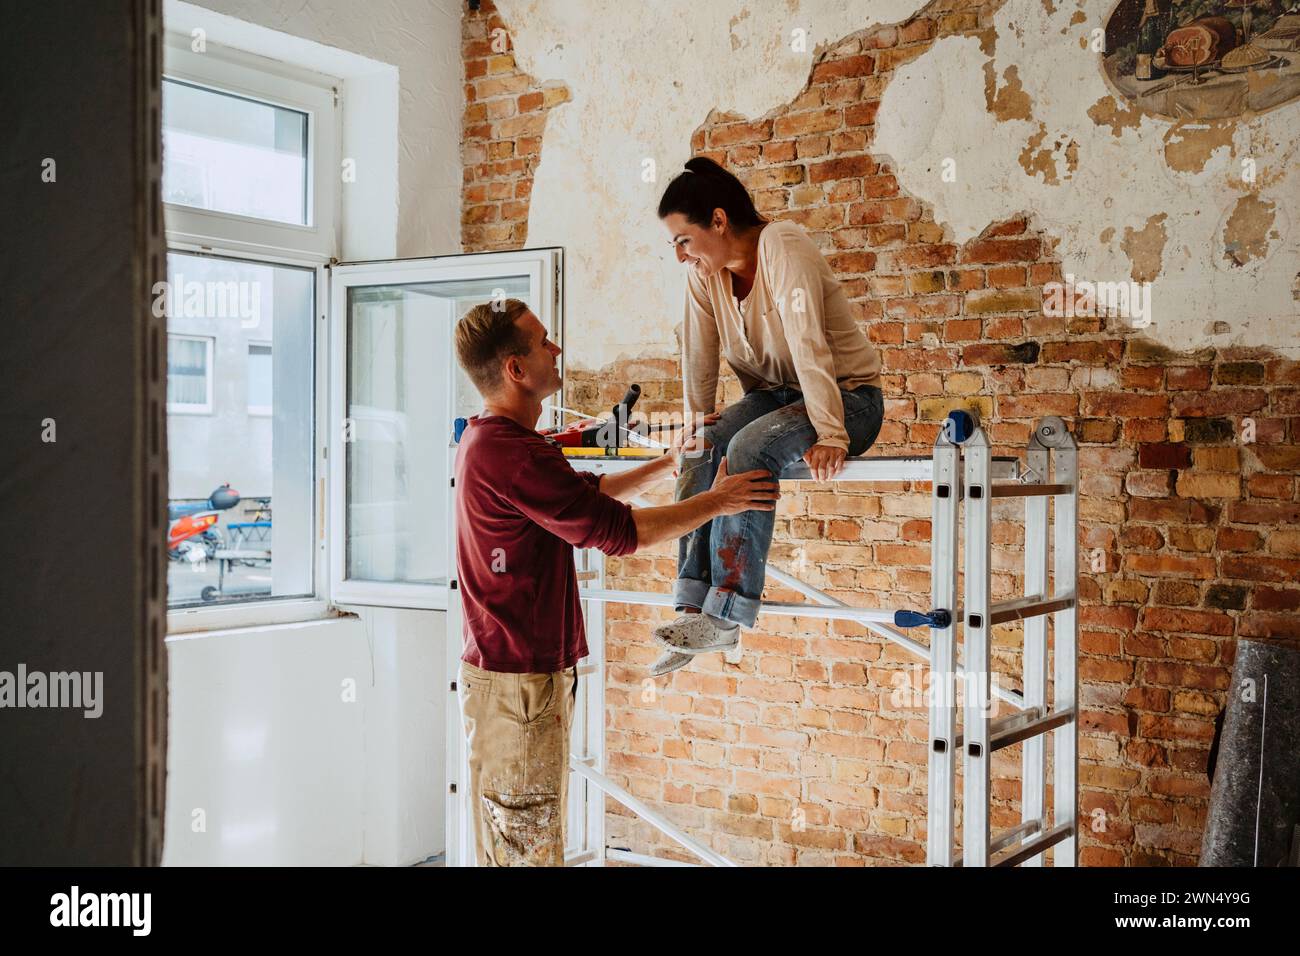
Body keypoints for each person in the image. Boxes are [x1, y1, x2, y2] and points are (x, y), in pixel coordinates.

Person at [453, 297, 778, 866]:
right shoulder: (509, 452)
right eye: (543, 342)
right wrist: (717, 500)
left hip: (521, 680)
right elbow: (623, 534)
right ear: (515, 370)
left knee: (527, 836)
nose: (556, 350)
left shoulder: (502, 442)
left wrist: (668, 463)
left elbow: (587, 499)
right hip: (517, 685)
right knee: (525, 848)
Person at [650, 156, 886, 676]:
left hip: (849, 399)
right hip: (778, 399)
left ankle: (728, 614)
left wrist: (831, 432)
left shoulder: (783, 244)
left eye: (683, 240)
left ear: (717, 220)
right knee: (704, 445)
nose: (680, 256)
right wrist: (698, 420)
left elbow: (808, 342)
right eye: (674, 245)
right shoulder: (705, 277)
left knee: (748, 450)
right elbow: (699, 351)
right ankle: (693, 610)